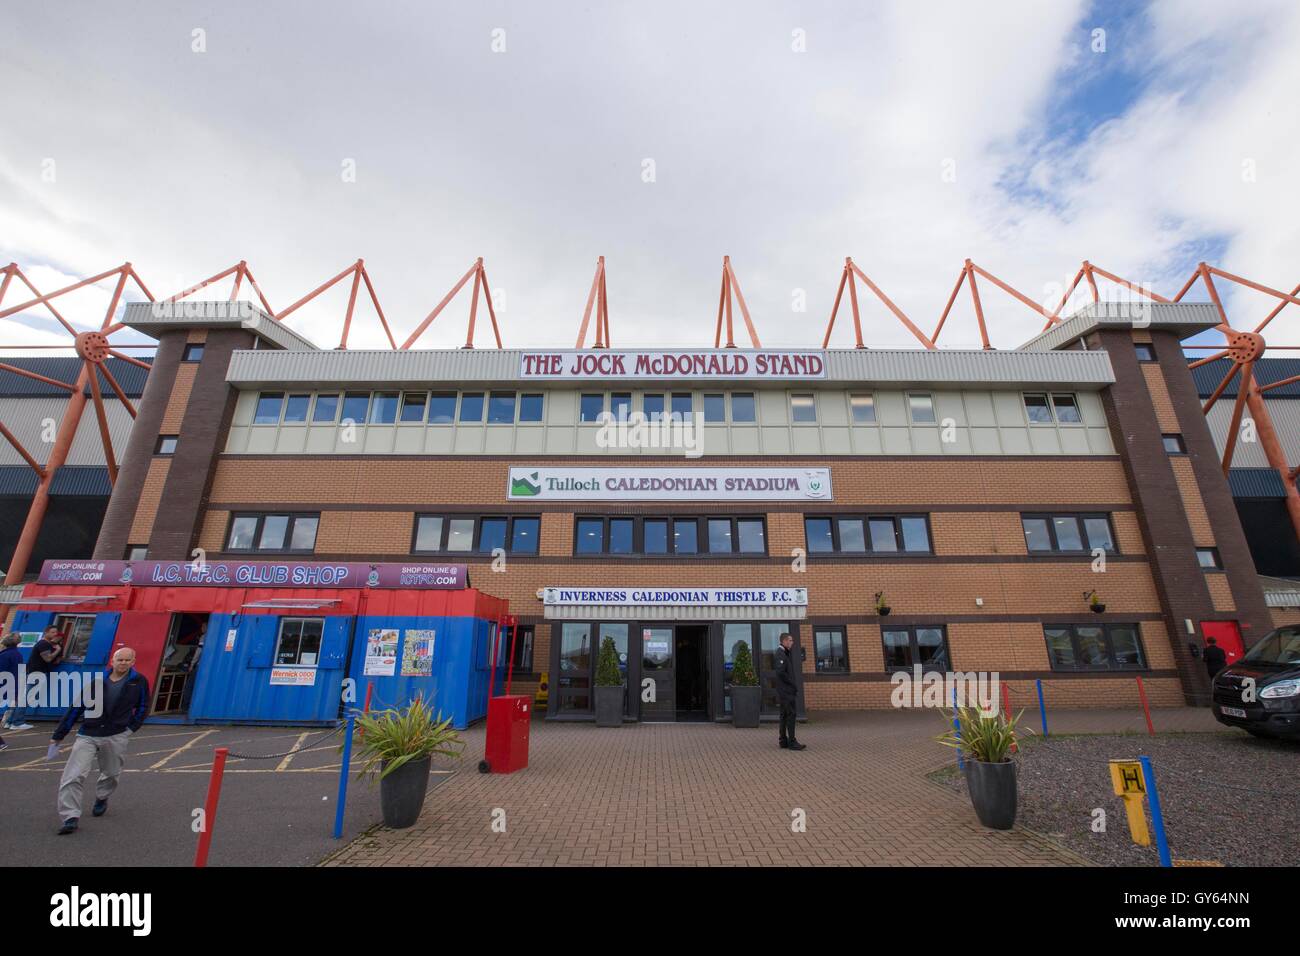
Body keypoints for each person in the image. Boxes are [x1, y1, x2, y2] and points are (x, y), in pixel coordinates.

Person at [50, 646, 150, 835]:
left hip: (116, 734)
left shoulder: (138, 682)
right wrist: (58, 734)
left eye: (127, 660)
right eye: (120, 659)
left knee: (111, 773)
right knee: (73, 776)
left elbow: (144, 706)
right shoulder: (96, 681)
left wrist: (131, 728)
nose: (123, 663)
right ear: (112, 660)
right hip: (88, 733)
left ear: (133, 662)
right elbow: (77, 707)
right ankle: (70, 816)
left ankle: (102, 797)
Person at [774, 632, 805, 751]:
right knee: (791, 715)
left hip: (785, 691)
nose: (792, 643)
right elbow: (781, 672)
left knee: (784, 714)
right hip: (786, 691)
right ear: (785, 641)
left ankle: (783, 740)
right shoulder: (780, 654)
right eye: (790, 640)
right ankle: (792, 742)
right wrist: (792, 684)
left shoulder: (784, 653)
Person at [0, 632, 29, 730]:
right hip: (11, 685)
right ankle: (8, 722)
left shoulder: (5, 655)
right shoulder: (17, 654)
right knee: (12, 705)